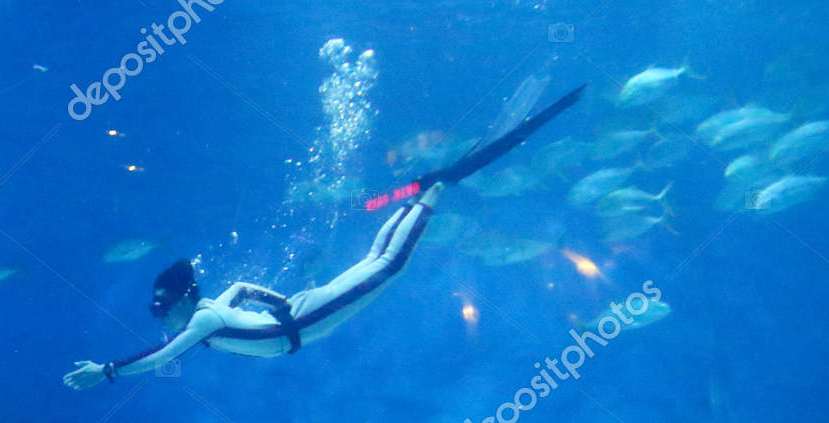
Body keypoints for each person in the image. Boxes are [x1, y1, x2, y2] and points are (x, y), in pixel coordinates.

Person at [63, 83, 585, 390]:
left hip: (307, 322)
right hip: (298, 319)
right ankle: (422, 194)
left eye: (161, 310)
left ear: (181, 303)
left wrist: (106, 371)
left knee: (386, 266)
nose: (160, 318)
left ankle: (433, 192)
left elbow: (162, 358)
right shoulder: (208, 311)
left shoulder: (200, 319)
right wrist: (279, 303)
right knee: (374, 262)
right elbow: (242, 287)